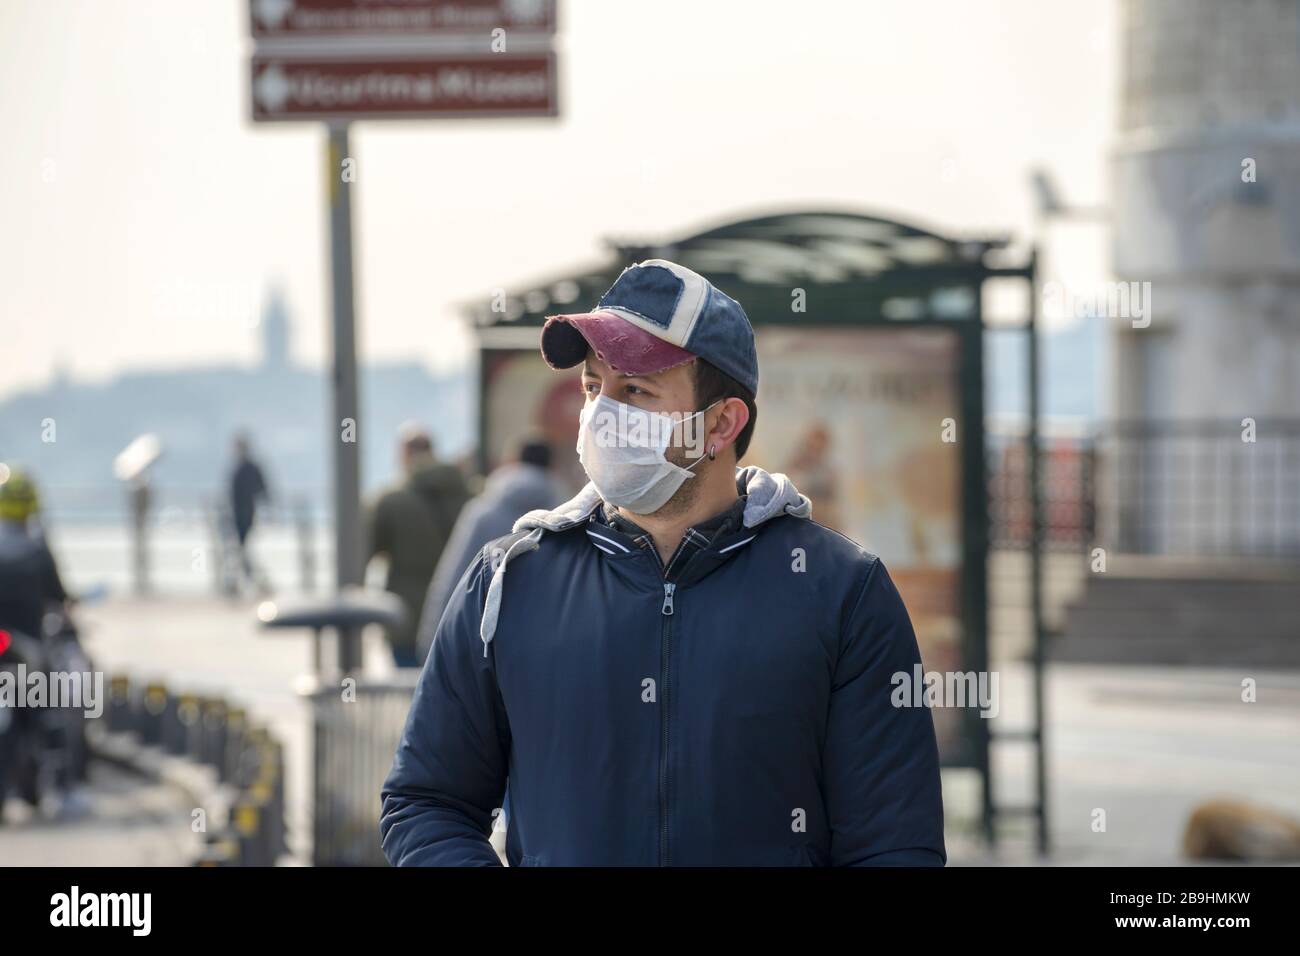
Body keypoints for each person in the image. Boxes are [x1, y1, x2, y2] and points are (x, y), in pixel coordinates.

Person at [380, 259, 946, 866]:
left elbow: (894, 845)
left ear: (722, 423)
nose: (601, 415)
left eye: (636, 391)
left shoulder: (842, 593)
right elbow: (426, 801)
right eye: (594, 387)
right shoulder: (508, 584)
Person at [417, 438, 562, 663]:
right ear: (552, 467)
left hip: (480, 647)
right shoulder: (564, 516)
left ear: (512, 462)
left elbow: (452, 578)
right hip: (544, 650)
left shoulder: (481, 513)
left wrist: (431, 640)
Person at [366, 425, 470, 668]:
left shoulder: (391, 501)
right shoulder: (467, 496)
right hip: (457, 617)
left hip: (406, 618)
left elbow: (364, 554)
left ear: (404, 455)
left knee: (411, 695)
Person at [228, 433, 272, 595]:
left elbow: (261, 489)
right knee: (243, 550)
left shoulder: (246, 468)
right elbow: (263, 490)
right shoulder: (245, 467)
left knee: (242, 550)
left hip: (244, 515)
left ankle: (248, 582)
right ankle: (256, 582)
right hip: (241, 515)